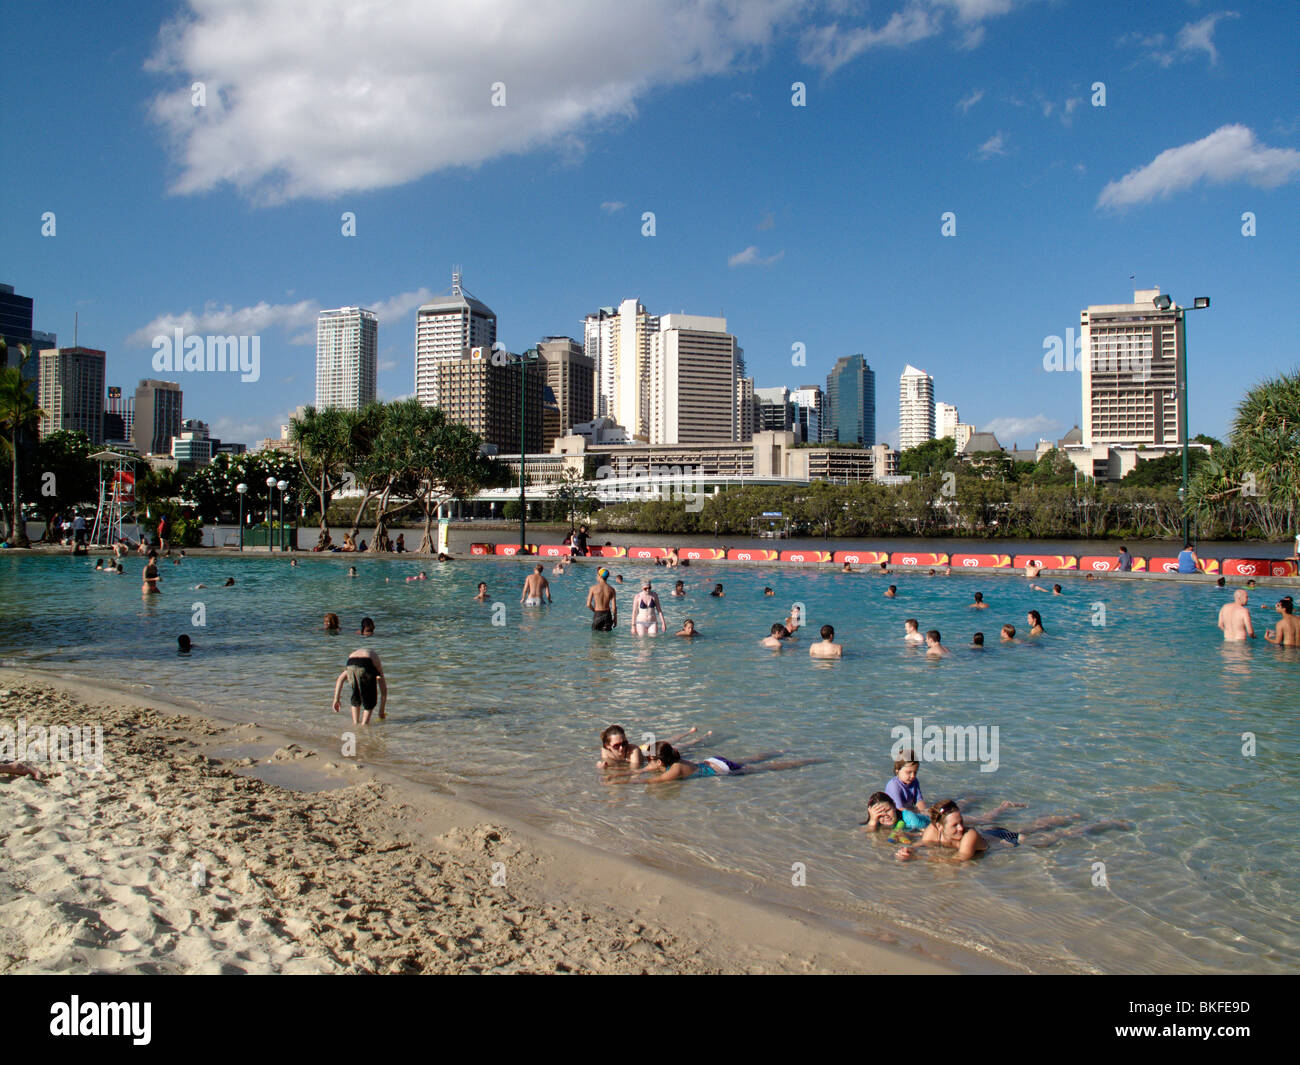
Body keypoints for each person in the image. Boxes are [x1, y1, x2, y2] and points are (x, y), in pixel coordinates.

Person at [331, 647, 387, 726]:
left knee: (356, 696)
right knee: (370, 699)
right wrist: (381, 711)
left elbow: (340, 679)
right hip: (366, 663)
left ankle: (355, 723)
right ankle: (364, 725)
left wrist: (336, 699)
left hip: (350, 662)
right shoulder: (376, 663)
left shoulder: (363, 654)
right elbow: (383, 690)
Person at [863, 792, 929, 837]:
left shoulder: (909, 817)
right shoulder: (875, 821)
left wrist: (908, 834)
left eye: (888, 810)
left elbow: (927, 833)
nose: (886, 816)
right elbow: (869, 836)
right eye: (880, 815)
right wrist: (873, 821)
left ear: (894, 805)